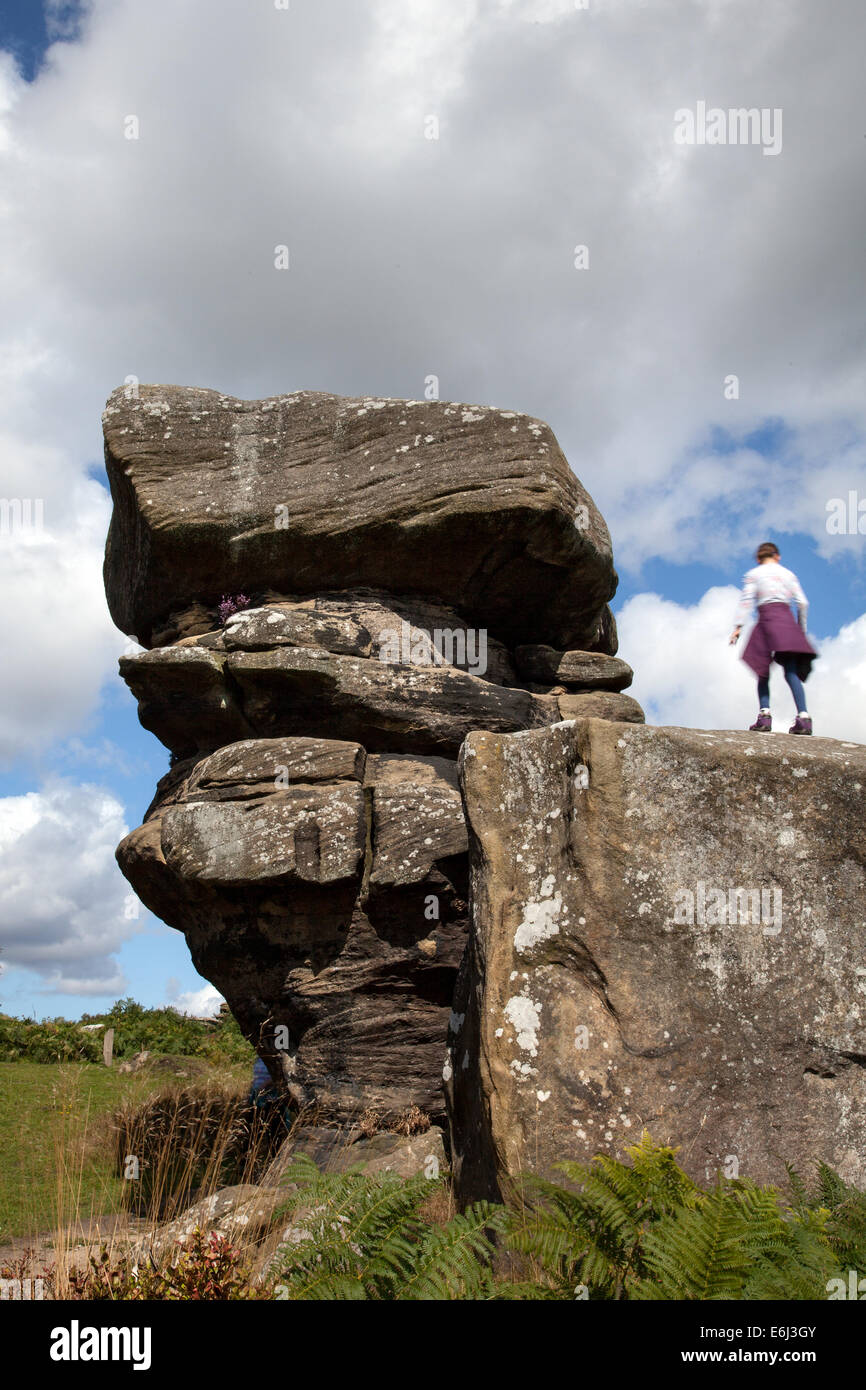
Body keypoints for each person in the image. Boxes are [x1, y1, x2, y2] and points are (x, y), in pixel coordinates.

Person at [729, 542, 817, 735]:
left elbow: (746, 602)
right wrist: (800, 630)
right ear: (777, 556)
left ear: (759, 559)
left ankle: (765, 717)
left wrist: (738, 627)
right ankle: (804, 718)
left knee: (762, 670)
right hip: (786, 621)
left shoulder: (754, 574)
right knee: (791, 671)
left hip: (766, 620)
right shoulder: (788, 574)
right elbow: (803, 603)